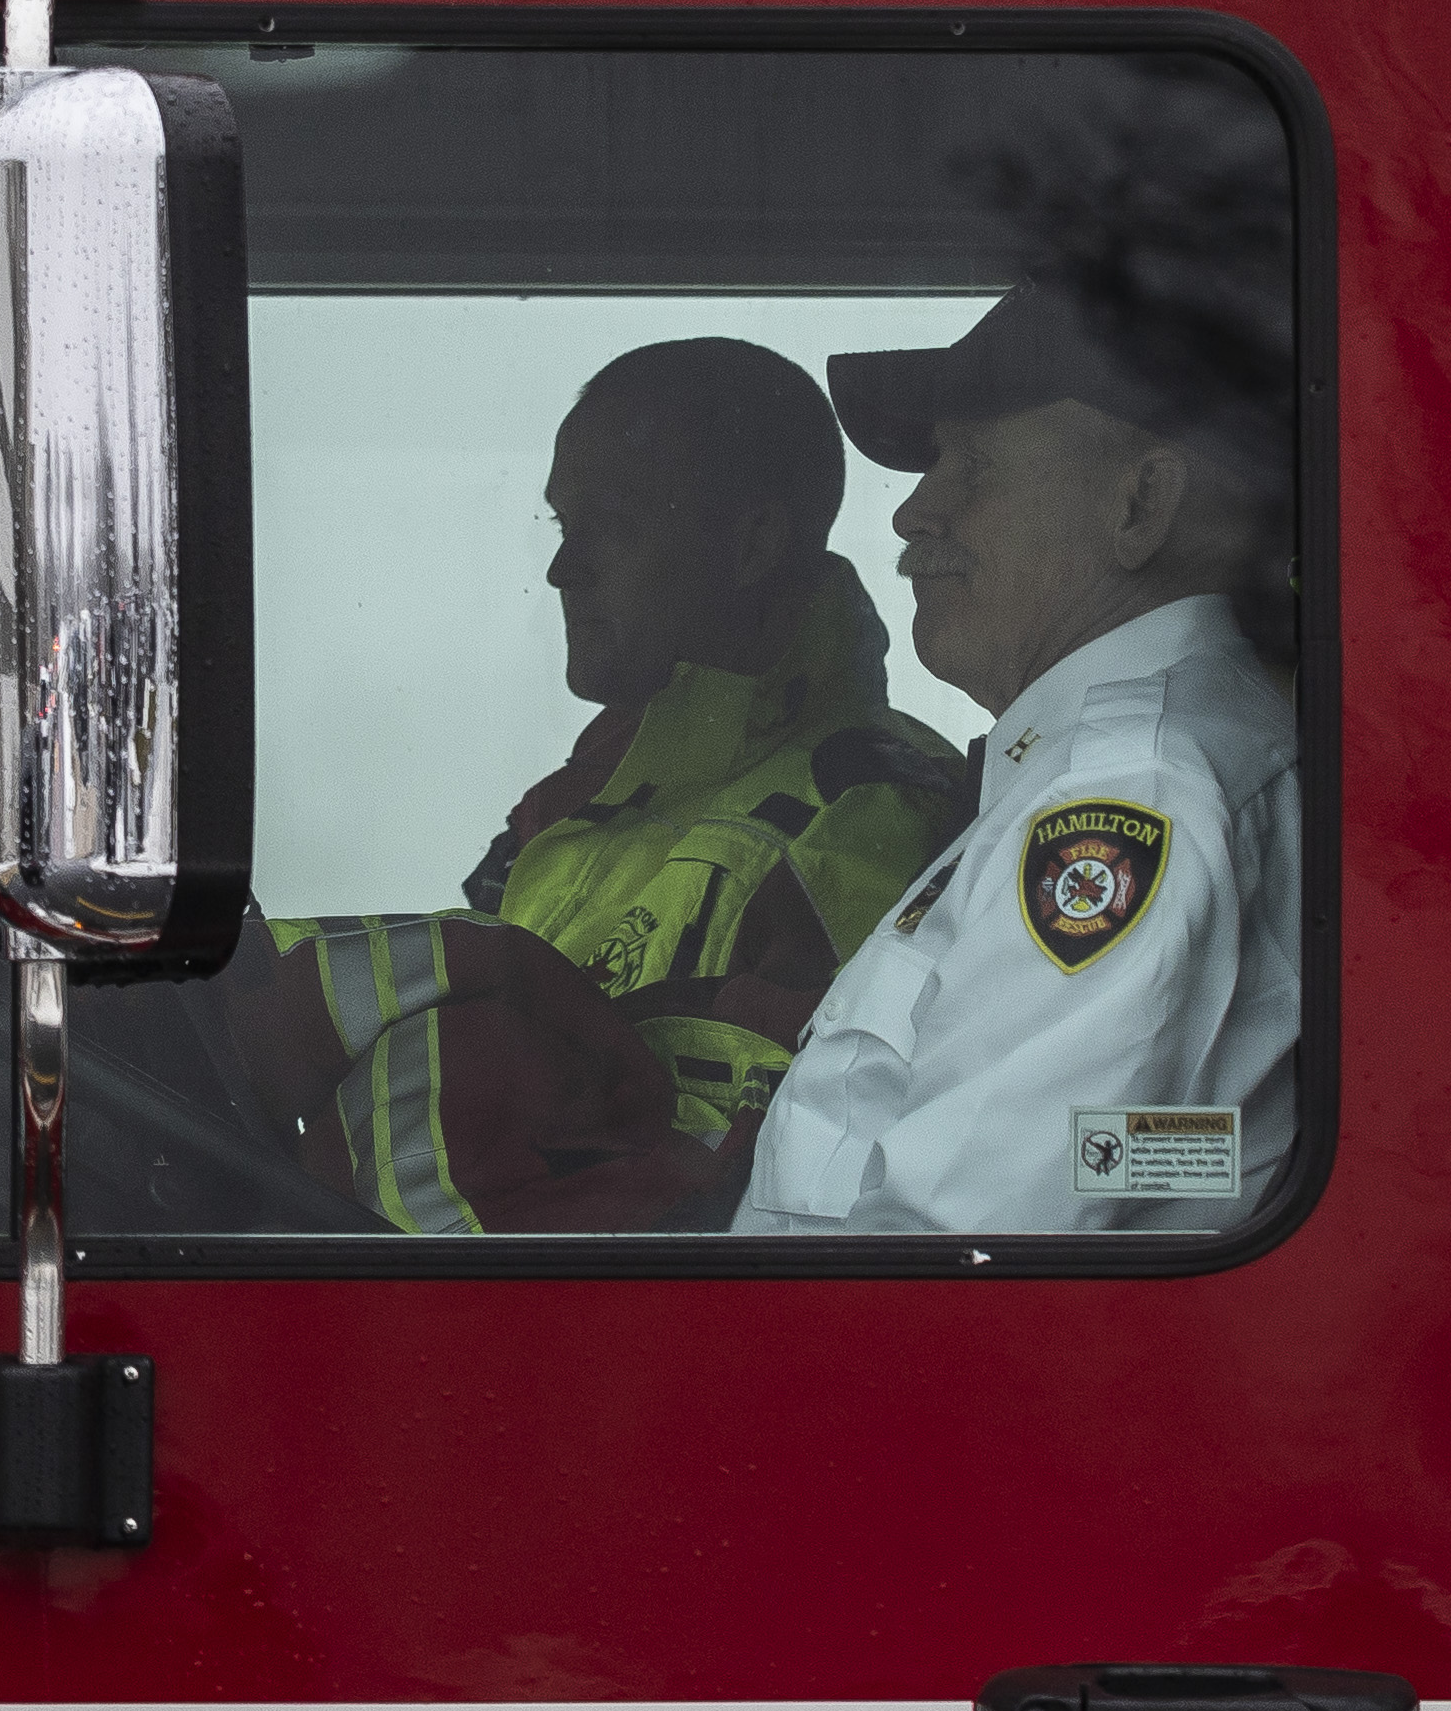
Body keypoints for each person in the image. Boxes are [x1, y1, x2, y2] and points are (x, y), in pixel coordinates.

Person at [224, 340, 963, 1233]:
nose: (561, 569)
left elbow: (751, 1191)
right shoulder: (564, 813)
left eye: (606, 525)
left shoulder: (871, 811)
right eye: (561, 527)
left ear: (753, 543)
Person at [735, 282, 1300, 1236]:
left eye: (973, 463)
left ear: (1140, 503)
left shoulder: (1130, 791)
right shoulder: (1138, 764)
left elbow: (956, 1261)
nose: (916, 512)